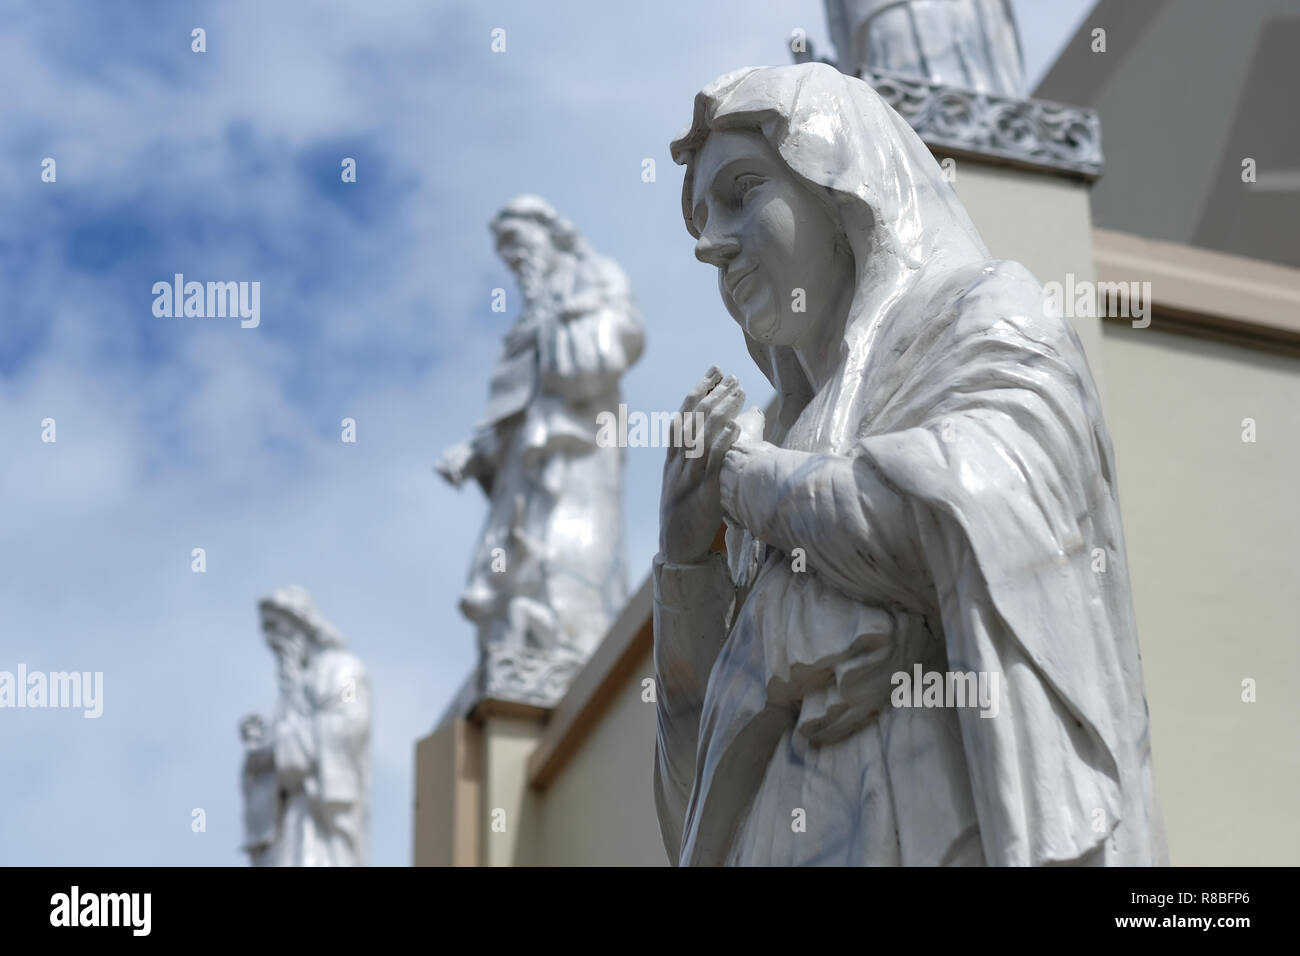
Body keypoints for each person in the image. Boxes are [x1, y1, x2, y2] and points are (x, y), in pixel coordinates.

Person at [654, 63, 1165, 866]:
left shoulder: (990, 315)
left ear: (841, 187)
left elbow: (966, 524)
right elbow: (692, 816)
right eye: (699, 221)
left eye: (744, 191)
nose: (711, 246)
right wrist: (686, 564)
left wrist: (749, 483)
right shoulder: (778, 443)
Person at [437, 196, 644, 703]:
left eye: (518, 243)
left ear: (548, 234)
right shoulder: (532, 312)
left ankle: (566, 637)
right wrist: (476, 452)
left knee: (566, 543)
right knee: (511, 552)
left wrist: (563, 329)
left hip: (576, 446)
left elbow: (616, 341)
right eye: (504, 251)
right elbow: (513, 406)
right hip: (523, 462)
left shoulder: (594, 276)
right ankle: (521, 639)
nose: (513, 258)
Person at [239, 586, 370, 866]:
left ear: (298, 622)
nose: (269, 639)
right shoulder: (290, 692)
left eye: (274, 626)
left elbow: (348, 726)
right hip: (287, 821)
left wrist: (279, 749)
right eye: (265, 630)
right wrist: (260, 749)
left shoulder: (342, 669)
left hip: (319, 819)